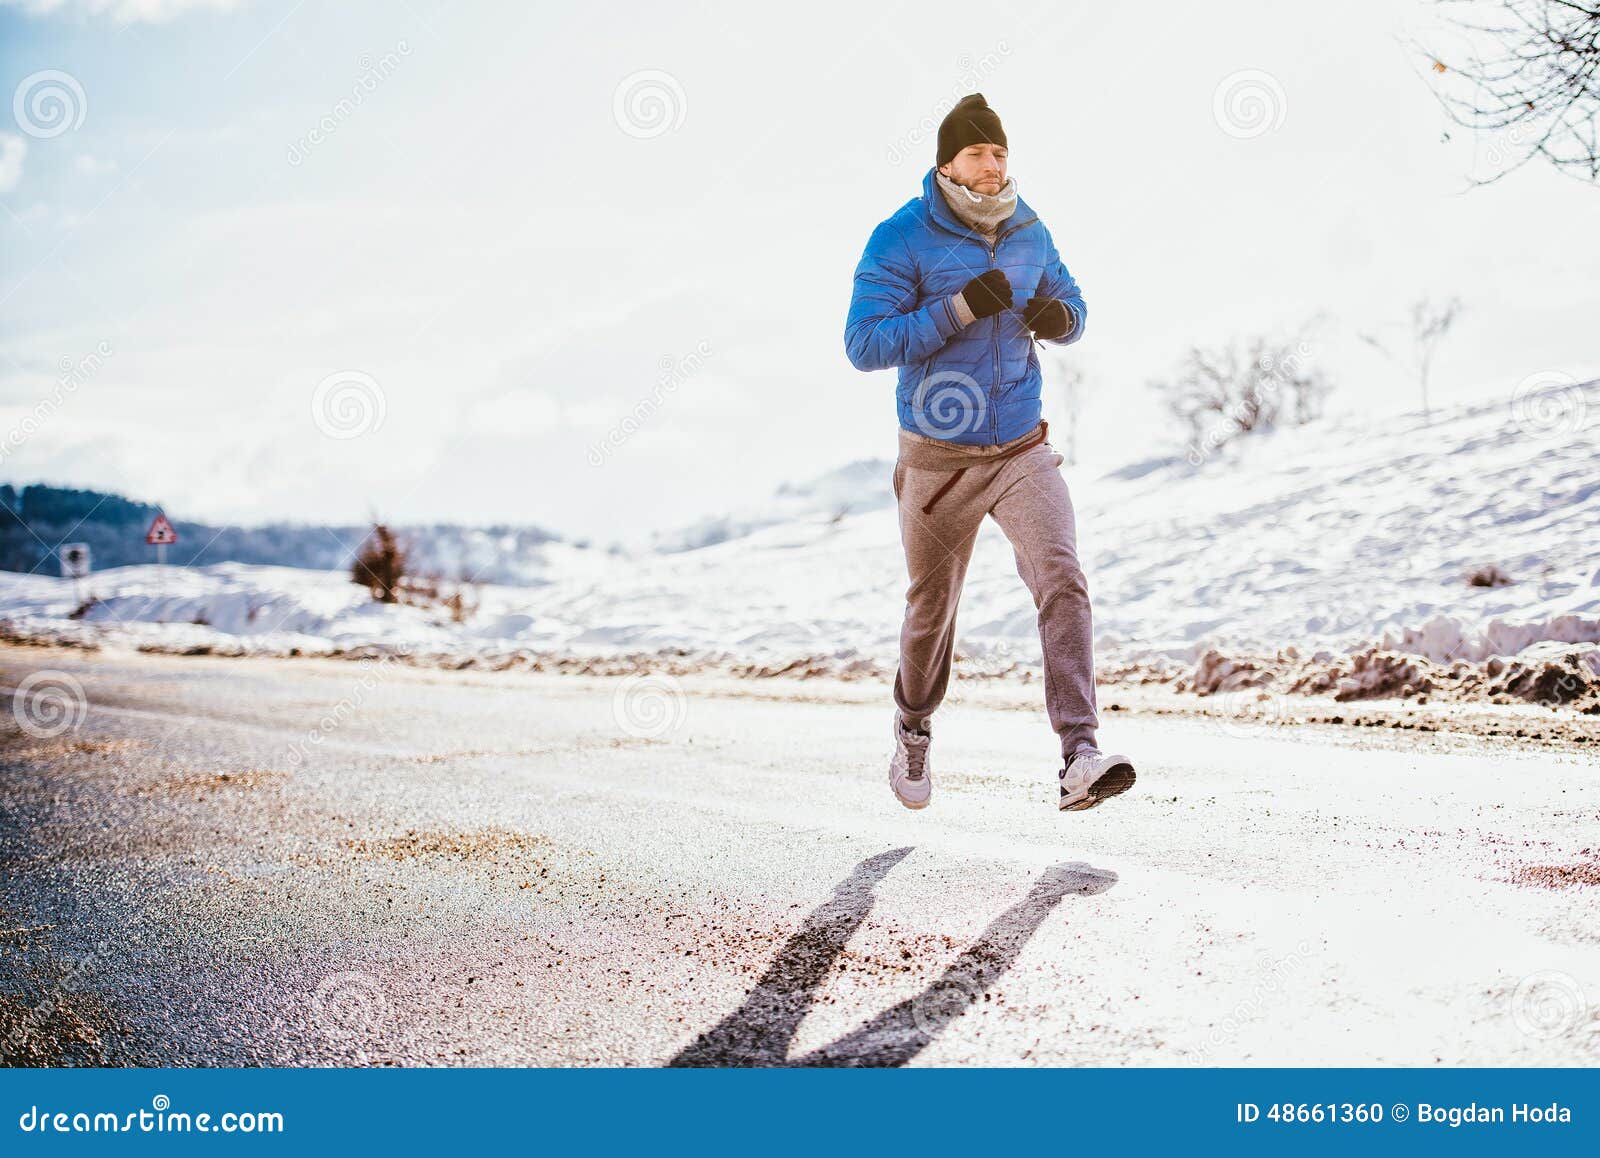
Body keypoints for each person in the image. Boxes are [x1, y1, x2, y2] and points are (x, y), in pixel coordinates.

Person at [843, 92, 1135, 814]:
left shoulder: (1029, 227)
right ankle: (913, 725)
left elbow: (1074, 307)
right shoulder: (902, 236)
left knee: (1061, 577)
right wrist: (959, 308)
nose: (992, 164)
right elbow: (865, 344)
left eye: (1000, 151)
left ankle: (1080, 752)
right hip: (938, 461)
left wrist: (1058, 318)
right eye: (977, 151)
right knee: (931, 612)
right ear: (947, 161)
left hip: (1020, 449)